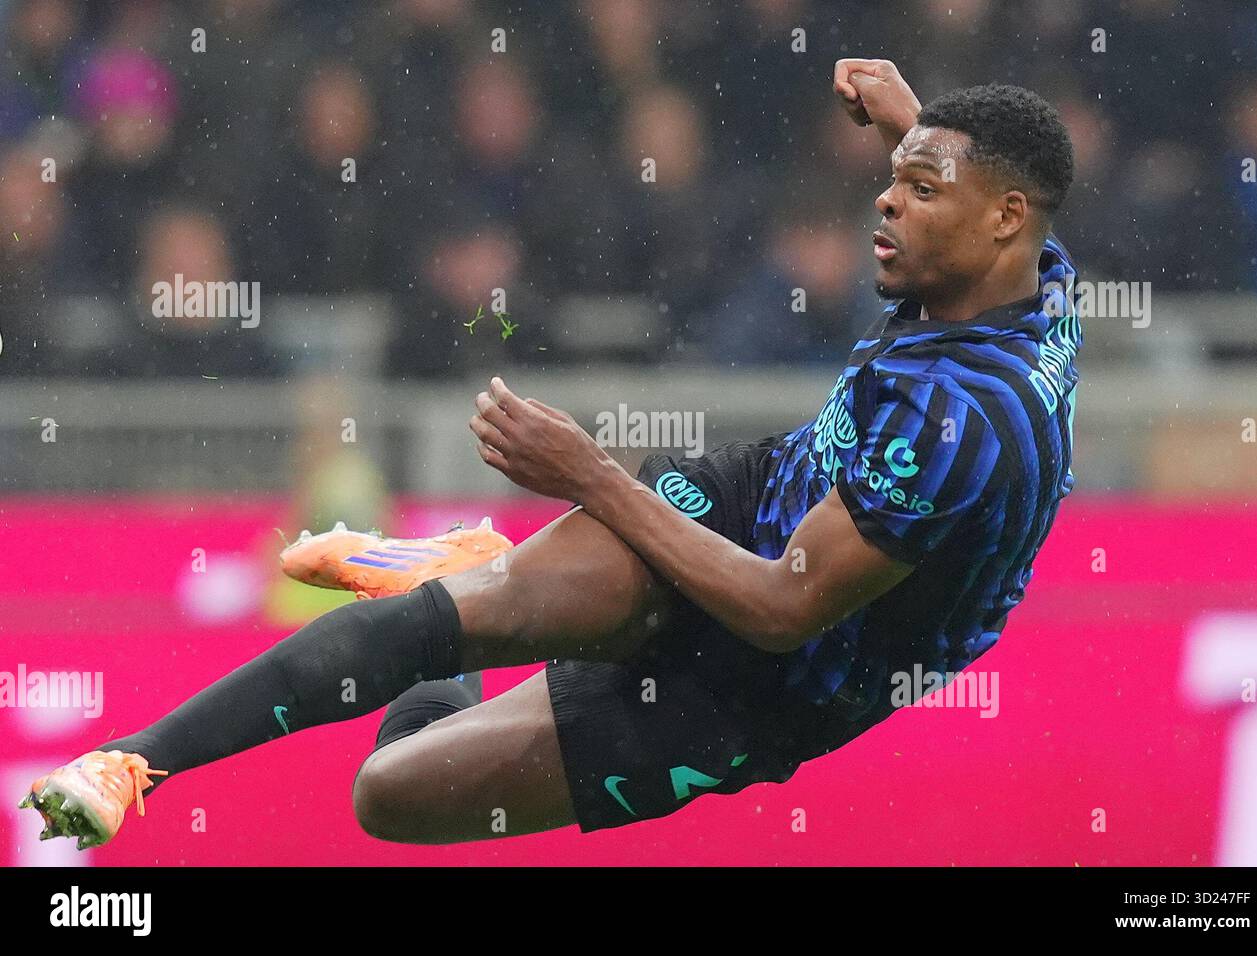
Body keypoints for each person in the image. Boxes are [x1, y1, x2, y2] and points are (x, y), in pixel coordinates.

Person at [22, 59, 1081, 848]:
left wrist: (591, 477)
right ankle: (132, 761)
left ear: (1001, 219)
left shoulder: (965, 424)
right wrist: (912, 121)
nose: (885, 201)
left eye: (918, 190)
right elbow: (975, 171)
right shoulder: (1032, 271)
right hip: (751, 502)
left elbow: (779, 607)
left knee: (388, 794)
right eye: (895, 177)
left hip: (773, 675)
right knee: (434, 624)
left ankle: (488, 579)